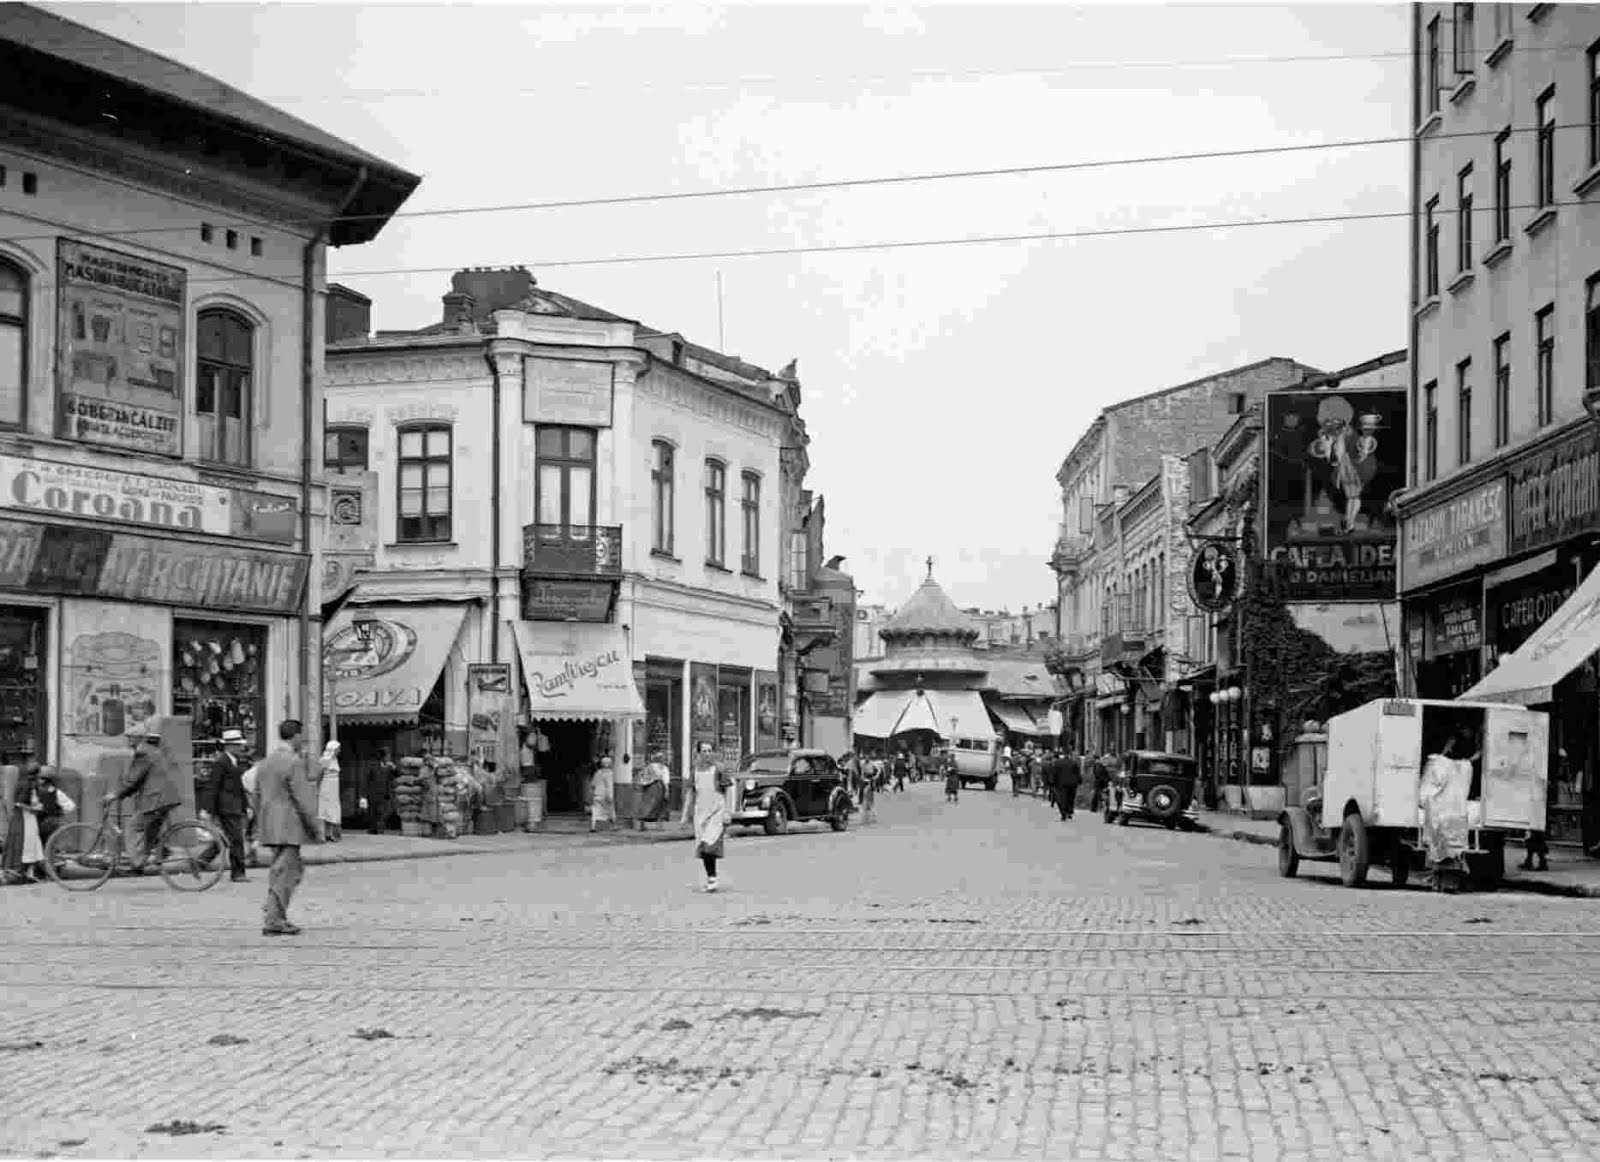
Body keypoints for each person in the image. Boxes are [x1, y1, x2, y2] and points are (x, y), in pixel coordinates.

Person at [256, 719, 322, 936]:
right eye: (301, 737)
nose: (302, 741)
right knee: (288, 871)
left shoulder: (266, 762)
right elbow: (304, 799)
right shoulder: (293, 762)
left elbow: (256, 794)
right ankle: (273, 918)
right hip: (288, 824)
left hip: (269, 824)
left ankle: (275, 913)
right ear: (295, 737)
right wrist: (314, 826)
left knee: (279, 870)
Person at [103, 721, 183, 873]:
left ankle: (137, 863)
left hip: (156, 799)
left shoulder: (143, 752)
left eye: (130, 738)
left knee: (133, 827)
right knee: (150, 831)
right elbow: (138, 781)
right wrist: (122, 795)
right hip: (167, 798)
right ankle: (155, 853)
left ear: (138, 738)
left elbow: (132, 780)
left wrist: (114, 794)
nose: (128, 741)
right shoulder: (154, 750)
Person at [199, 728, 251, 883]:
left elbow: (239, 787)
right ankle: (238, 872)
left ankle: (202, 860)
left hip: (233, 805)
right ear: (230, 746)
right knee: (236, 839)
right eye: (238, 745)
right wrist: (207, 809)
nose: (241, 748)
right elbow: (213, 786)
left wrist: (245, 806)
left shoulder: (233, 761)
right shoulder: (221, 762)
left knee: (227, 838)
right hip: (226, 807)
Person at [682, 740, 730, 892]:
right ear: (698, 753)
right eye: (704, 751)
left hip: (717, 811)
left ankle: (712, 878)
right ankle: (711, 878)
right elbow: (690, 793)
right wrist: (684, 814)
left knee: (709, 845)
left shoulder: (719, 769)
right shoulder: (695, 771)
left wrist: (728, 811)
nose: (707, 754)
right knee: (702, 847)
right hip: (700, 813)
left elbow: (729, 789)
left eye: (710, 750)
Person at [3, 762, 46, 883]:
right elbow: (20, 803)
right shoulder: (28, 785)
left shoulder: (25, 783)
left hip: (27, 818)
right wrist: (34, 809)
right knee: (26, 843)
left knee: (31, 843)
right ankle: (22, 871)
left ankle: (29, 872)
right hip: (24, 819)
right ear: (36, 774)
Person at [317, 740, 343, 843]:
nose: (339, 751)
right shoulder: (324, 760)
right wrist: (318, 788)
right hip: (326, 787)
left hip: (334, 788)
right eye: (337, 749)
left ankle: (330, 834)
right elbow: (319, 774)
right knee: (324, 810)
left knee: (333, 810)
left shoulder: (335, 760)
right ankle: (322, 835)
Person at [367, 748, 397, 835]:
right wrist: (365, 795)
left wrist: (394, 767)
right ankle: (372, 832)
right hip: (373, 794)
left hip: (384, 795)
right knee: (373, 815)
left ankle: (380, 832)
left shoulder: (389, 767)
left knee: (382, 814)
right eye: (388, 756)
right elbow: (367, 780)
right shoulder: (373, 766)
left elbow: (397, 774)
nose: (389, 757)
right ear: (383, 757)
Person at [589, 755, 616, 833]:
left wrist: (591, 795)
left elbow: (593, 785)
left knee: (596, 812)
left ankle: (593, 827)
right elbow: (609, 785)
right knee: (610, 811)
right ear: (610, 764)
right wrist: (610, 796)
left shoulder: (598, 772)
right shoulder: (610, 773)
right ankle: (613, 826)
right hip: (606, 795)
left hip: (597, 795)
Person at [1058, 751, 1082, 821]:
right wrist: (1080, 781)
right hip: (1072, 784)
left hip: (1063, 784)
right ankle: (1069, 812)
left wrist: (1055, 782)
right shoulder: (1074, 763)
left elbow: (1056, 773)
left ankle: (1063, 813)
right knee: (1070, 798)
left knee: (1063, 798)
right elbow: (1078, 773)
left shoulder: (1059, 763)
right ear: (1070, 755)